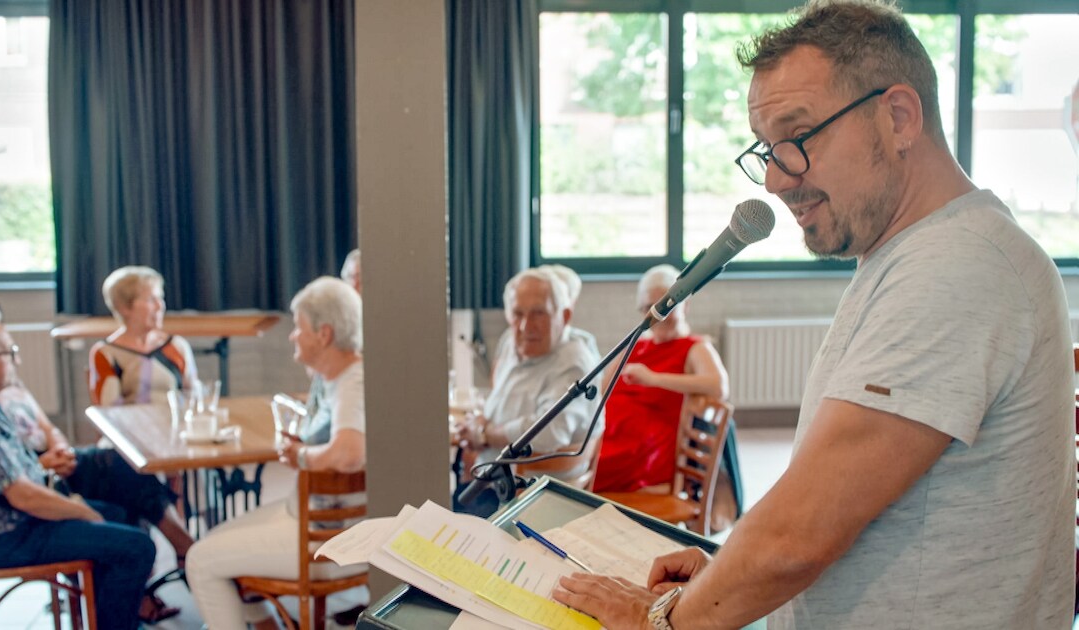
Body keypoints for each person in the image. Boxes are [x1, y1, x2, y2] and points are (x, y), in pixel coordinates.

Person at [553, 1, 1075, 627]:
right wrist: (725, 575)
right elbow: (830, 495)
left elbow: (801, 536)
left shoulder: (960, 266)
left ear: (899, 117)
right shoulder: (911, 255)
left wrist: (661, 619)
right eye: (766, 149)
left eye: (796, 140)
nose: (774, 179)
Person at [0, 287, 192, 623]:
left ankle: (135, 591)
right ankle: (178, 556)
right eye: (9, 352)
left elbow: (20, 467)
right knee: (135, 546)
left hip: (10, 515)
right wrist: (81, 510)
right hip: (8, 533)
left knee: (119, 485)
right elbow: (23, 495)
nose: (16, 360)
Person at [185, 277, 366, 628]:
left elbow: (349, 453)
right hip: (313, 519)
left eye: (298, 328)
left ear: (324, 334)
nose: (292, 336)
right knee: (214, 542)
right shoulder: (336, 378)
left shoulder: (353, 382)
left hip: (330, 539)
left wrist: (301, 456)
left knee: (199, 560)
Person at [592, 265, 741, 530]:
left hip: (649, 449)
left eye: (668, 306)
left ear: (685, 305)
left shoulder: (694, 346)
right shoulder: (637, 343)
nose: (660, 315)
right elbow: (603, 389)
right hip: (614, 433)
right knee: (576, 455)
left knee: (582, 469)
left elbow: (719, 386)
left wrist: (653, 379)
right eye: (650, 307)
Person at [453, 268, 601, 517]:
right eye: (517, 314)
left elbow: (548, 431)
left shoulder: (573, 362)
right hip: (496, 484)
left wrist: (487, 434)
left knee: (431, 516)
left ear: (564, 316)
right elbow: (501, 403)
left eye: (538, 313)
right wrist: (479, 424)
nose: (525, 326)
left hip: (533, 497)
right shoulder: (512, 343)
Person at [89, 265, 197, 405]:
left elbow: (192, 396)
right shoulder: (106, 354)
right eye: (151, 300)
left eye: (160, 298)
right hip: (131, 426)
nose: (160, 306)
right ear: (124, 308)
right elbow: (109, 410)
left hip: (176, 425)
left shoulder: (177, 345)